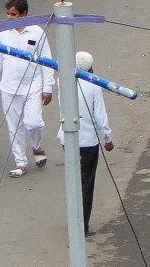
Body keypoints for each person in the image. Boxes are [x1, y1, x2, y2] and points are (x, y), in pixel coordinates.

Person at [0, 0, 52, 177]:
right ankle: (20, 163)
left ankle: (36, 146)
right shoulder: (3, 34)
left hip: (33, 85)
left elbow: (47, 61)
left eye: (13, 14)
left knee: (34, 123)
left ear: (24, 14)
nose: (9, 17)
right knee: (14, 126)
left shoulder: (37, 33)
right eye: (8, 13)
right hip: (8, 87)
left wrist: (48, 88)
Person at [63, 48, 115, 228]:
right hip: (88, 142)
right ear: (91, 69)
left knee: (72, 180)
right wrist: (107, 138)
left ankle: (72, 219)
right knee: (86, 182)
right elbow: (100, 116)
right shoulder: (93, 85)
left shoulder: (63, 81)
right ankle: (82, 224)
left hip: (67, 139)